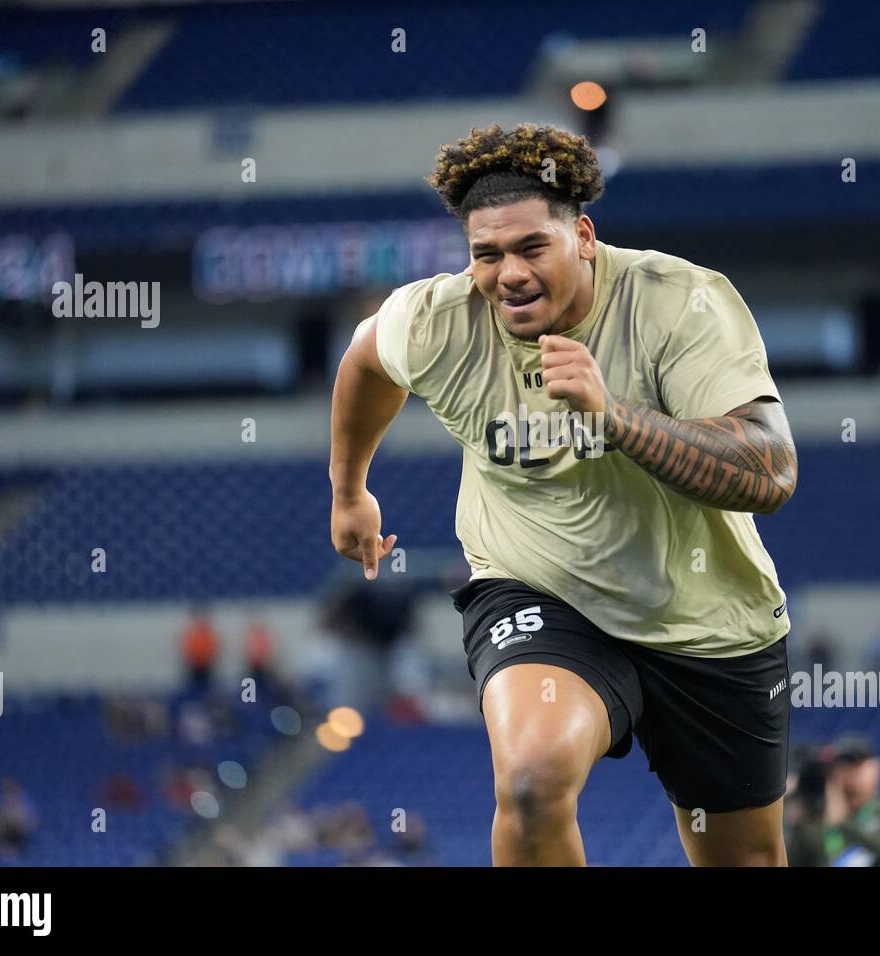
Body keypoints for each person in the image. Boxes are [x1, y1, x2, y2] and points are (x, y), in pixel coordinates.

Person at [329, 122, 798, 866]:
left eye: (530, 248)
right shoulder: (439, 321)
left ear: (582, 235)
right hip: (540, 592)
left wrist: (614, 419)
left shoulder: (679, 303)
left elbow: (770, 473)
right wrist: (349, 489)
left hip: (707, 617)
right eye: (487, 255)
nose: (507, 273)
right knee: (531, 780)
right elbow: (365, 362)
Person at [786, 737, 880, 866]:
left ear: (876, 769)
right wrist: (792, 818)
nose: (851, 772)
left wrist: (842, 821)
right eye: (844, 765)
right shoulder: (814, 819)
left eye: (859, 765)